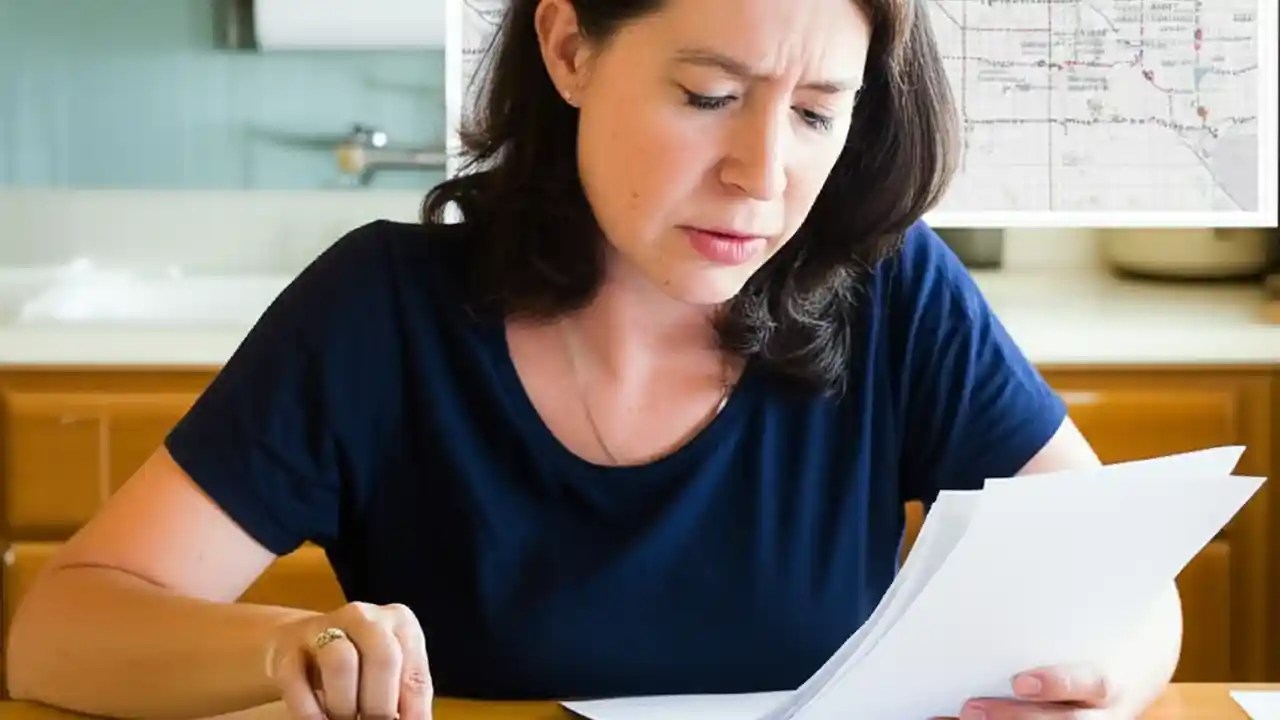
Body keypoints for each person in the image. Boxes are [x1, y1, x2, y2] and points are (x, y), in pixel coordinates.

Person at [5, 0, 1182, 718]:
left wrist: (1107, 680)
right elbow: (58, 631)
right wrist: (277, 649)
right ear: (567, 47)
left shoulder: (892, 291)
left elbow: (1119, 588)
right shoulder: (382, 314)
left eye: (818, 112)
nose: (762, 174)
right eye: (709, 94)